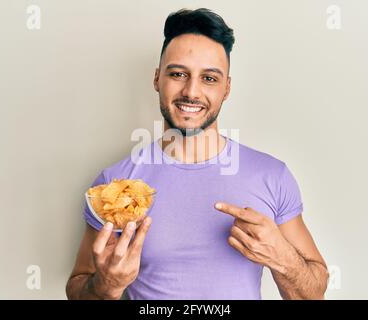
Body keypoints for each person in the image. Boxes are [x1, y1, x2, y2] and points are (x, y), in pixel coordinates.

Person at [66, 8, 329, 300]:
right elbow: (78, 286)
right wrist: (107, 286)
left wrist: (283, 258)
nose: (191, 92)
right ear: (157, 79)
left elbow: (313, 294)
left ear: (226, 88)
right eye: (178, 74)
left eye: (209, 78)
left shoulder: (272, 176)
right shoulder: (115, 184)